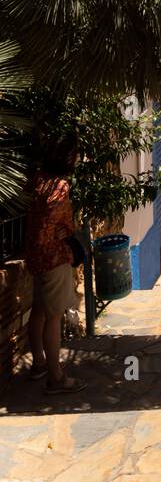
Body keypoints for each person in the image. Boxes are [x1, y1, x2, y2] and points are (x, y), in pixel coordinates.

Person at [25, 136, 85, 394]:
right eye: (75, 155)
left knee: (38, 309)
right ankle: (56, 378)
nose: (76, 159)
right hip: (54, 258)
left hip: (35, 257)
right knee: (53, 318)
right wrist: (63, 231)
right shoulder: (60, 186)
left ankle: (38, 363)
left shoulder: (38, 179)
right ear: (66, 157)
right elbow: (52, 217)